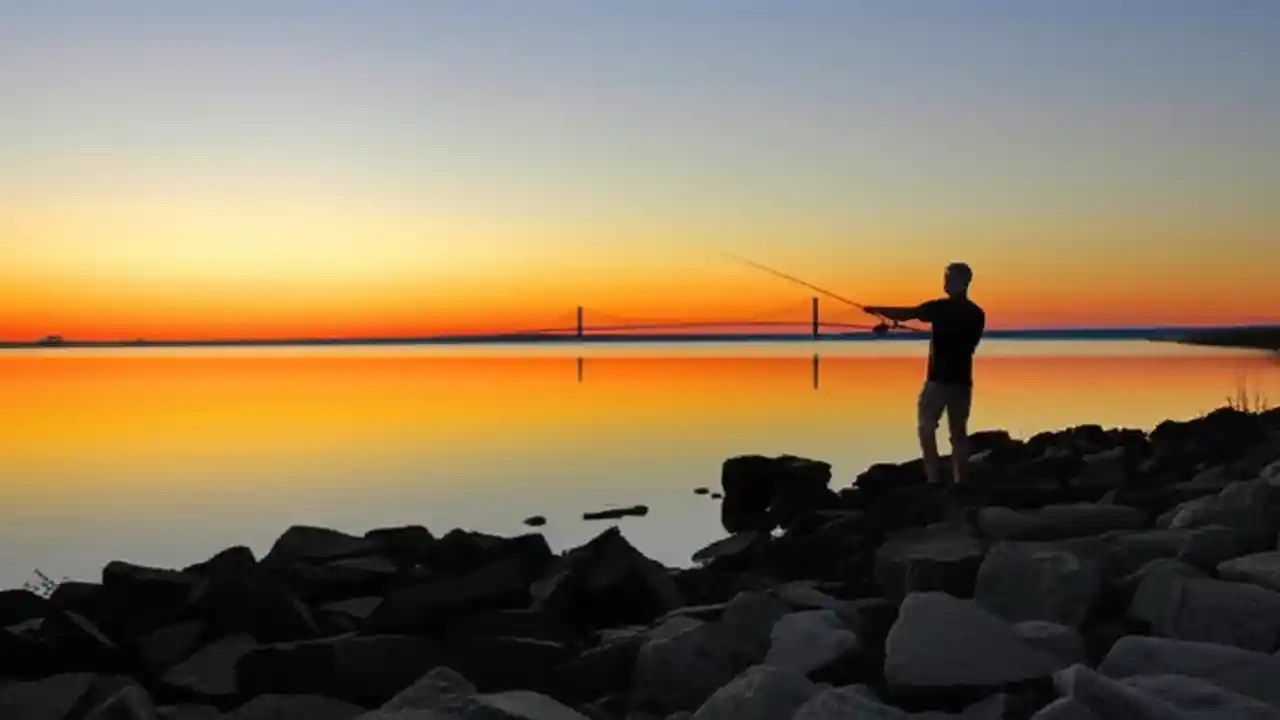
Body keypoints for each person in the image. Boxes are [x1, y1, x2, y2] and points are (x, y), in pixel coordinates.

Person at [865, 263, 985, 486]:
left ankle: (933, 480)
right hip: (962, 382)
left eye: (948, 278)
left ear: (962, 282)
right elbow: (968, 342)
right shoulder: (977, 313)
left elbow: (907, 313)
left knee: (926, 428)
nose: (945, 283)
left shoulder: (939, 308)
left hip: (938, 381)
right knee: (958, 434)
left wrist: (875, 310)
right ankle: (961, 482)